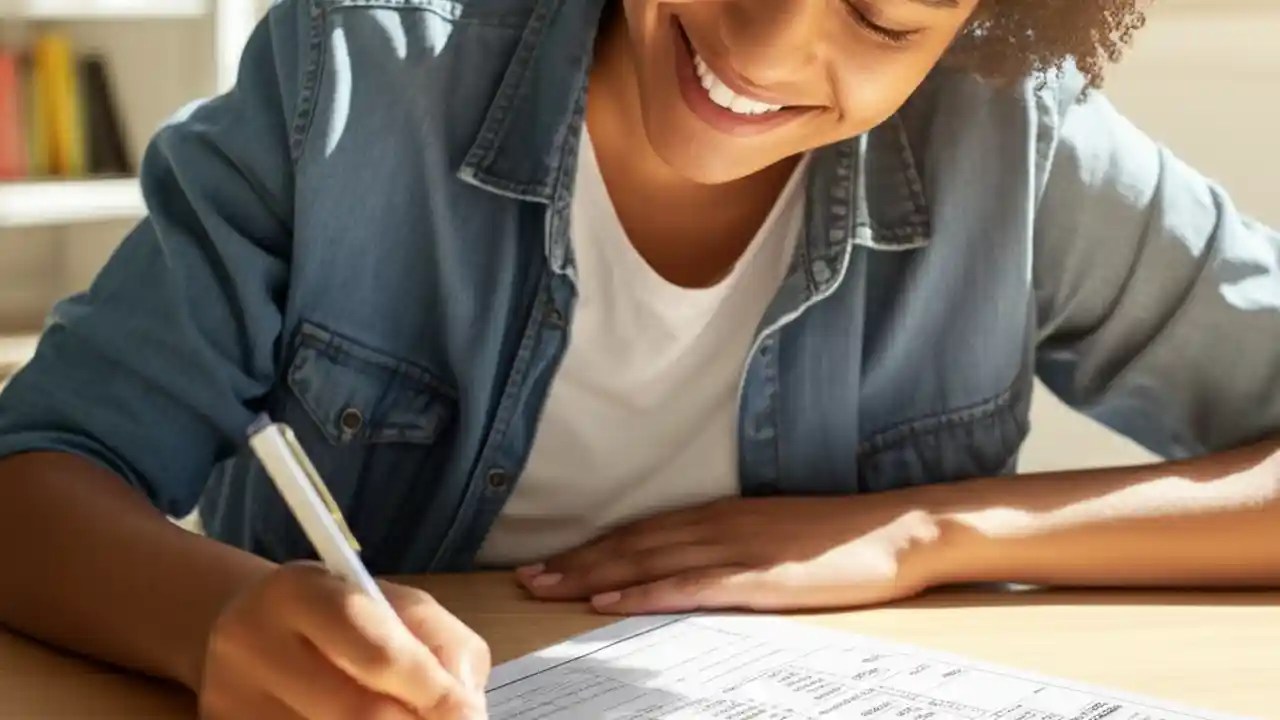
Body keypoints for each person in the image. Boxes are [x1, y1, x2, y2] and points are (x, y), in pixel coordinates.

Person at [1, 0, 1277, 717]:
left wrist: (928, 532)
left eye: (880, 13)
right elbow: (38, 477)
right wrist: (213, 616)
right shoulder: (359, 76)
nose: (761, 49)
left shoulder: (1019, 143)